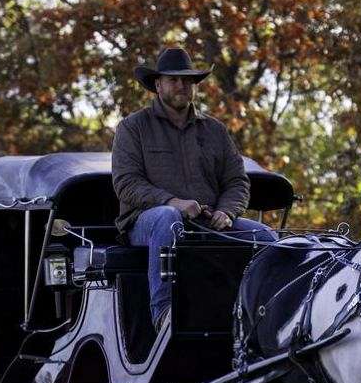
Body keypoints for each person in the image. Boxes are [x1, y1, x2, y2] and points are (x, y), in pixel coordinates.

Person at [112, 47, 275, 330]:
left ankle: (265, 318)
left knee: (266, 237)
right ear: (158, 85)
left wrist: (227, 212)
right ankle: (164, 314)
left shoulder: (215, 130)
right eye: (173, 80)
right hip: (147, 223)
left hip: (207, 222)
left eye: (188, 80)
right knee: (168, 218)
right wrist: (172, 202)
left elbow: (237, 181)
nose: (182, 86)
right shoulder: (133, 127)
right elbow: (126, 183)